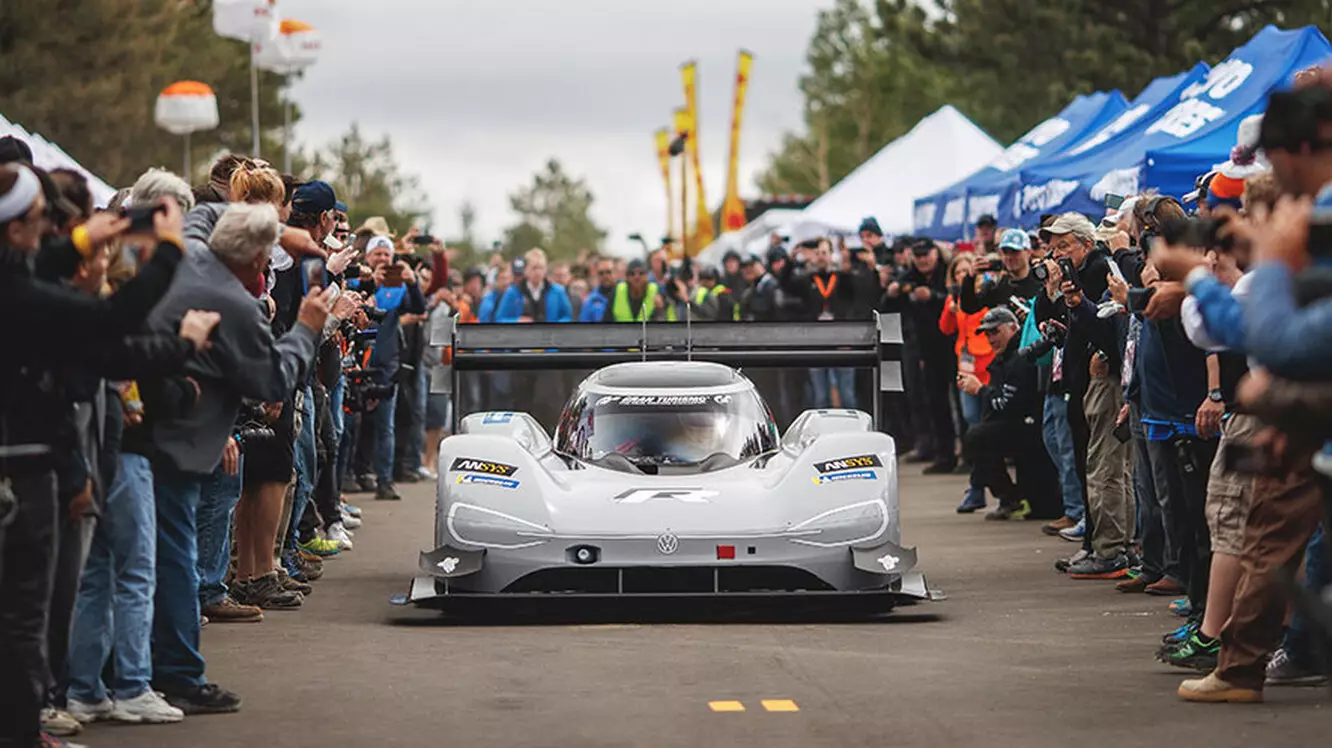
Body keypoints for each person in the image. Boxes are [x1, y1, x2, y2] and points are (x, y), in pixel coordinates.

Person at [0, 162, 192, 747]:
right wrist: (168, 255)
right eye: (42, 222)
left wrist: (93, 236)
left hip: (28, 459)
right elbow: (113, 321)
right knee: (23, 615)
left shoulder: (18, 279)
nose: (51, 233)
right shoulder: (25, 299)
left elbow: (38, 267)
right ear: (15, 229)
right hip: (25, 468)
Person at [140, 202, 337, 714]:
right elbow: (271, 380)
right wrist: (308, 327)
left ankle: (148, 670)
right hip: (182, 441)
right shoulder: (237, 304)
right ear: (253, 263)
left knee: (152, 558)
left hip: (147, 430)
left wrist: (281, 232)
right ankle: (179, 675)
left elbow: (205, 210)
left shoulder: (193, 253)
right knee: (175, 559)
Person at [957, 308, 1044, 517]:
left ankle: (1011, 497)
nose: (990, 338)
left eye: (995, 332)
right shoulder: (1003, 358)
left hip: (1032, 428)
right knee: (977, 436)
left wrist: (980, 390)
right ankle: (1008, 497)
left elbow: (1008, 405)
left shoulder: (1020, 356)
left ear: (1013, 328)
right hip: (1019, 425)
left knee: (977, 437)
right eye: (987, 334)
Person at [883, 240, 955, 473]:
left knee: (961, 404)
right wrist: (892, 293)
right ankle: (942, 453)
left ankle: (966, 454)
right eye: (918, 256)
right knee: (933, 401)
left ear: (936, 253)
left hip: (952, 344)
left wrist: (932, 296)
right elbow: (885, 308)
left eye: (927, 255)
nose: (923, 260)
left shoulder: (948, 271)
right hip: (924, 348)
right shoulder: (909, 276)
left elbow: (957, 297)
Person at [939, 253, 993, 512]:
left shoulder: (986, 293)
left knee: (984, 429)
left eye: (966, 271)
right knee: (972, 425)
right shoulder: (955, 297)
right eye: (958, 272)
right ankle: (977, 487)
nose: (962, 276)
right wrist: (951, 309)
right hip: (965, 366)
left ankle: (980, 486)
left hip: (988, 367)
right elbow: (946, 329)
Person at [495, 248, 573, 324]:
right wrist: (517, 321)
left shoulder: (557, 291)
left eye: (541, 268)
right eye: (534, 268)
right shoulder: (513, 292)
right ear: (525, 269)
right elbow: (499, 319)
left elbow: (567, 317)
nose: (538, 272)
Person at [580, 256, 617, 322]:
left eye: (608, 272)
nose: (605, 276)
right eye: (601, 273)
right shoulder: (590, 300)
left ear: (615, 272)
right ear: (596, 274)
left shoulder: (624, 294)